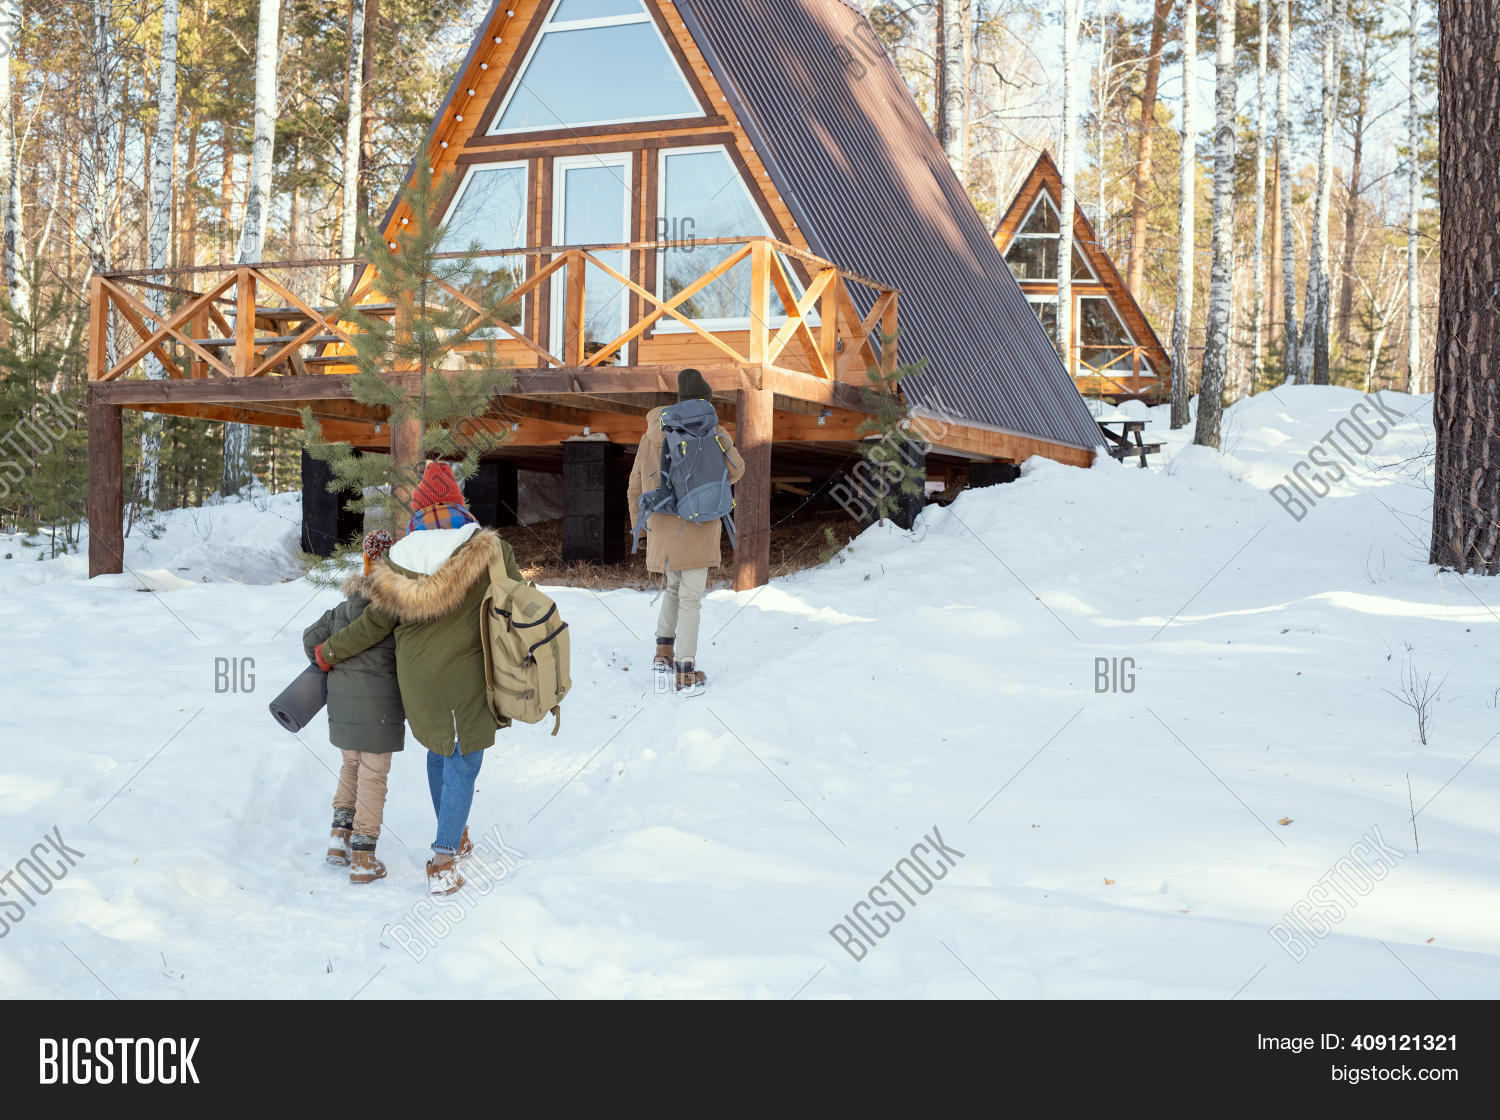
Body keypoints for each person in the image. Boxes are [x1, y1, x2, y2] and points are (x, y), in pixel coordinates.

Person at [315, 462, 524, 895]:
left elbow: (374, 625)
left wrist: (329, 651)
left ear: (419, 510)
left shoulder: (398, 558)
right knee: (463, 760)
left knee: (438, 749)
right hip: (469, 672)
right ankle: (444, 859)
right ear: (459, 505)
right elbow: (517, 602)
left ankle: (456, 835)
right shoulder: (488, 550)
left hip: (416, 679)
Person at [627, 368, 745, 694]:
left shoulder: (652, 433)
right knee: (691, 597)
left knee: (674, 590)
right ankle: (685, 669)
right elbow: (736, 471)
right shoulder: (712, 431)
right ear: (705, 401)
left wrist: (642, 525)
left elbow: (635, 485)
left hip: (663, 525)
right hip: (699, 523)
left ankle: (662, 654)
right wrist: (722, 445)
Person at [304, 529, 404, 885]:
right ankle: (363, 855)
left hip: (342, 707)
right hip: (380, 706)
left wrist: (334, 660)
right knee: (373, 774)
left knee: (350, 766)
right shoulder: (397, 606)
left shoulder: (344, 606)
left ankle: (338, 841)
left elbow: (309, 640)